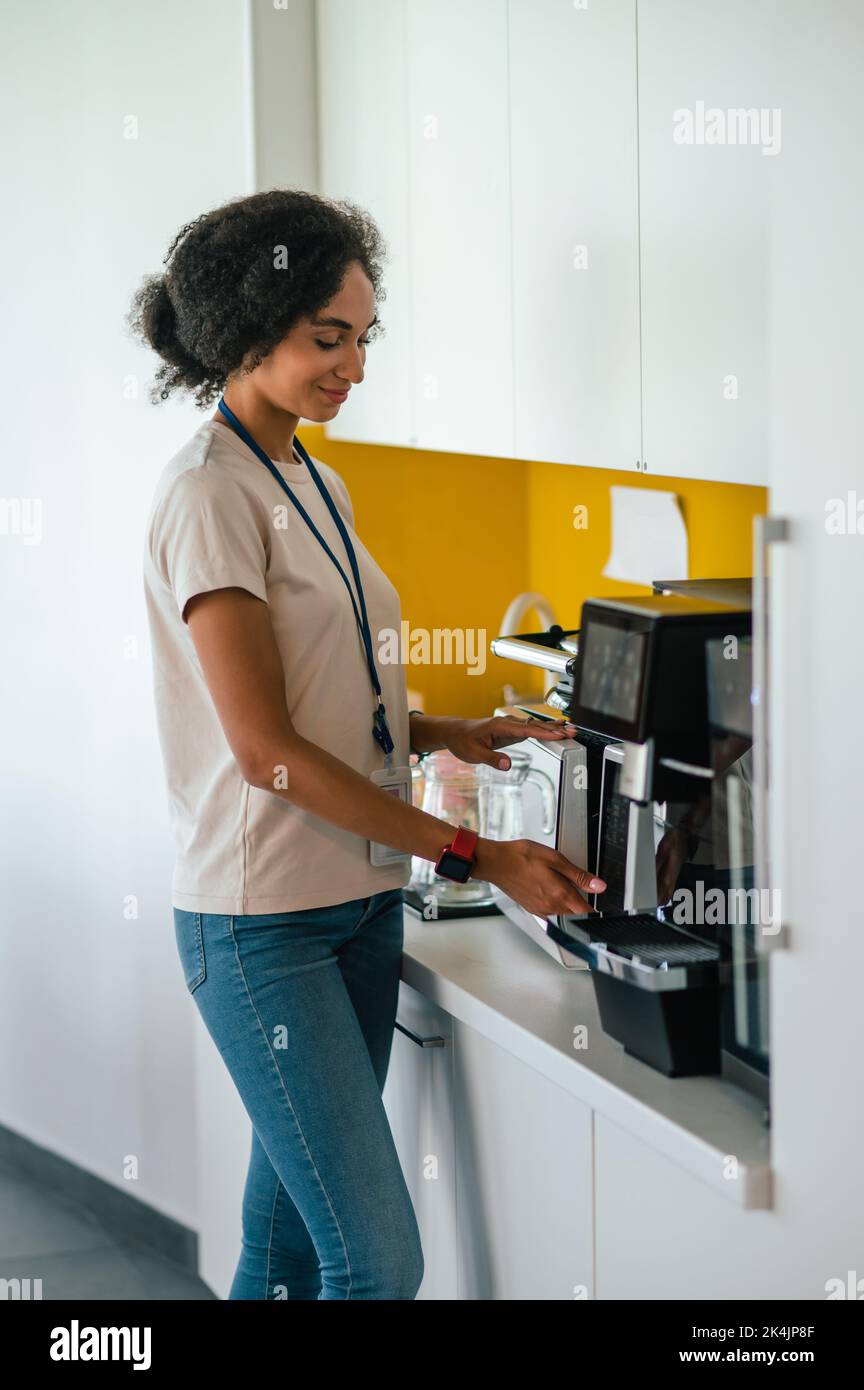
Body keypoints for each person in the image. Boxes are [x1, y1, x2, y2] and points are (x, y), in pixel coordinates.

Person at [129, 188, 603, 1300]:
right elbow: (265, 750)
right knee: (376, 1262)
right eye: (325, 338)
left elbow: (329, 694)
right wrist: (475, 854)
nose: (354, 366)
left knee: (292, 1249)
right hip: (261, 930)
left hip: (355, 904)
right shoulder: (210, 495)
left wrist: (449, 728)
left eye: (363, 338)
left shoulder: (315, 477)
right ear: (245, 333)